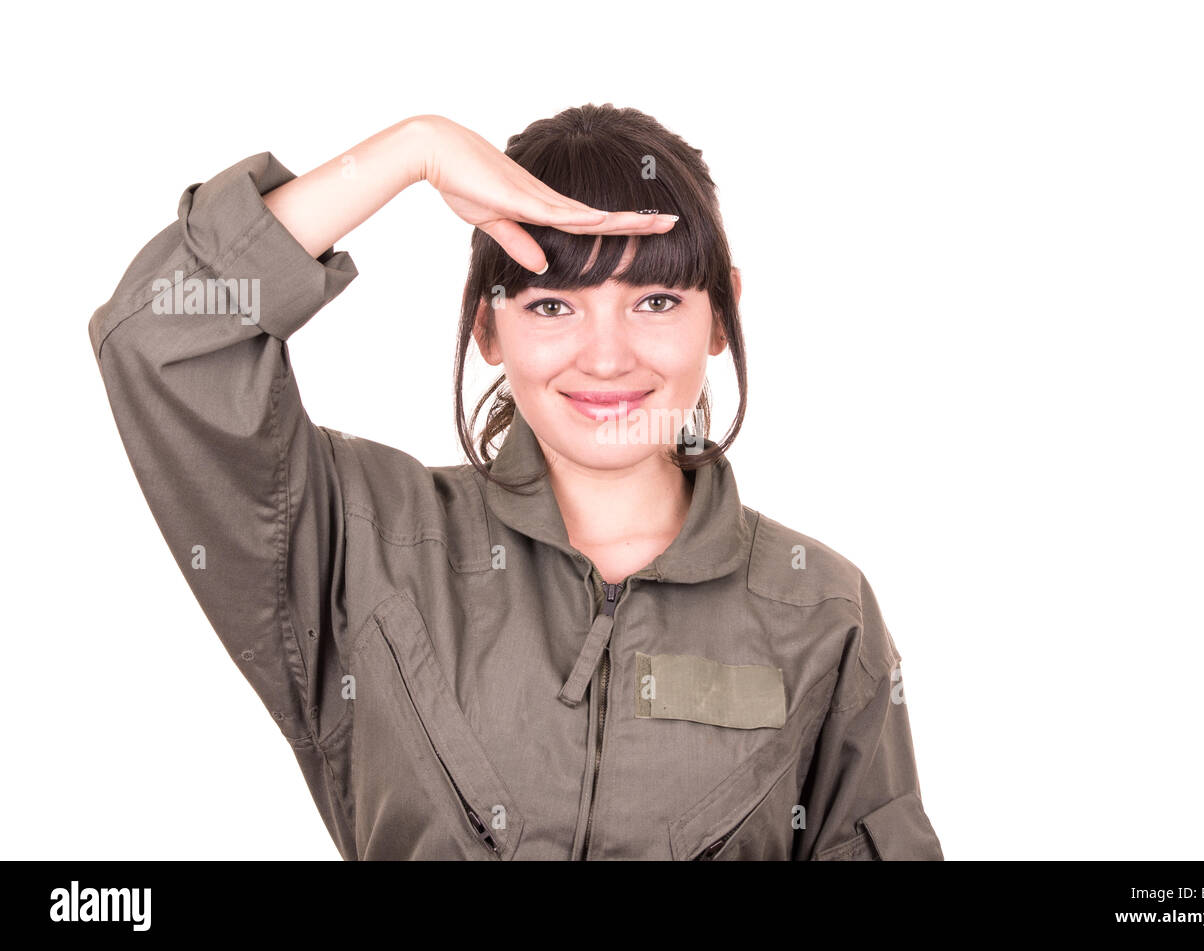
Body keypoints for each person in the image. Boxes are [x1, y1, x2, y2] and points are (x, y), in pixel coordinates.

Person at [88, 104, 943, 860]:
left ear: (721, 313)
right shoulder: (365, 543)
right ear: (486, 329)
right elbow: (159, 339)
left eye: (654, 301)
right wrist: (410, 150)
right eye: (551, 305)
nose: (606, 357)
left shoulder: (824, 613)